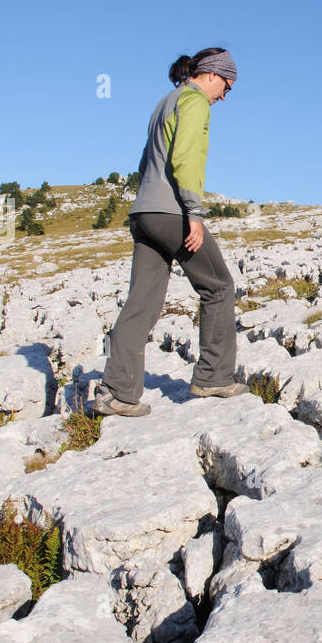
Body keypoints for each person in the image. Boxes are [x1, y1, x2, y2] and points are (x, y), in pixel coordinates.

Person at [93, 47, 248, 417]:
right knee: (219, 286)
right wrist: (193, 212)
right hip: (171, 212)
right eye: (227, 86)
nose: (225, 96)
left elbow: (149, 159)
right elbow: (186, 157)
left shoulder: (166, 101)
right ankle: (213, 377)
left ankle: (117, 392)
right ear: (211, 75)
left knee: (141, 302)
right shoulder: (195, 102)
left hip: (144, 212)